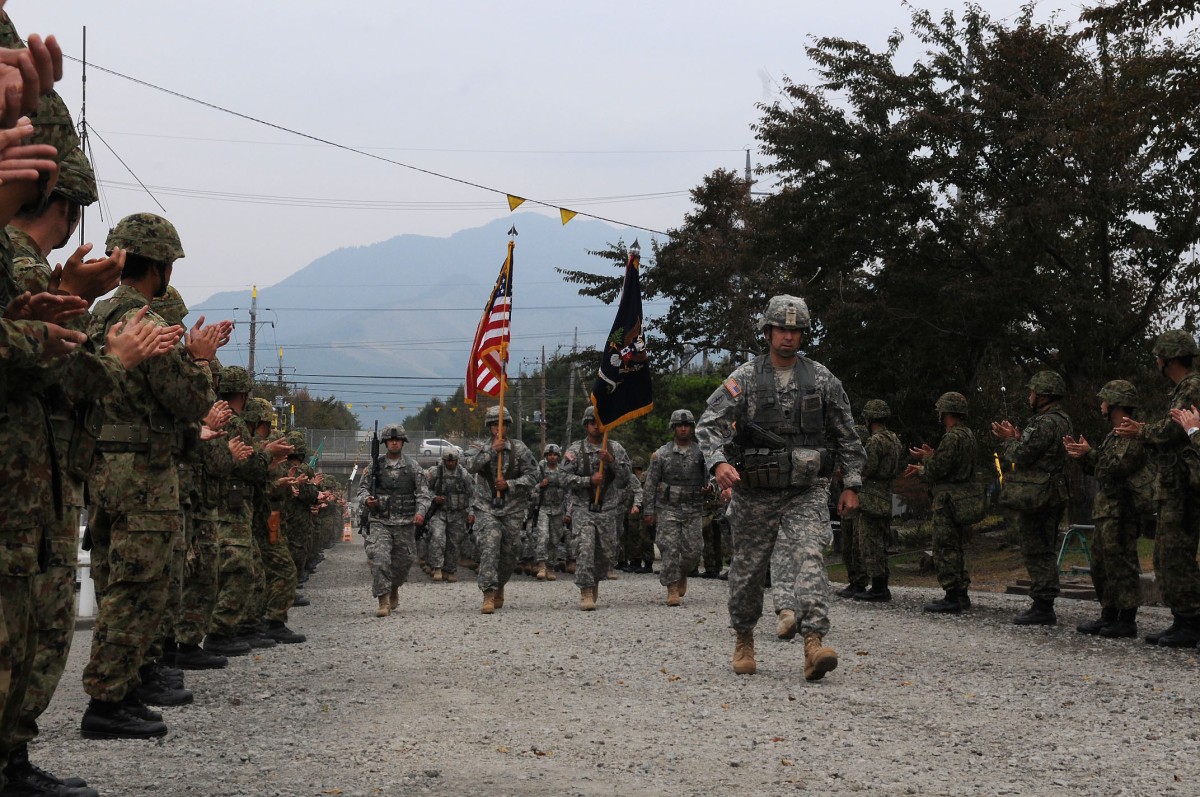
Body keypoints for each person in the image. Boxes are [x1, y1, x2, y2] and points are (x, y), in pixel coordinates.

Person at [82, 213, 231, 739]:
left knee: (112, 577)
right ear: (161, 266)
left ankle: (128, 681)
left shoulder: (98, 313)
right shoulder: (144, 320)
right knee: (140, 586)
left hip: (101, 468)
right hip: (142, 474)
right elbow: (187, 398)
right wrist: (200, 360)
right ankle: (109, 699)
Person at [695, 295, 865, 680]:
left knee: (810, 559)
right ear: (768, 332)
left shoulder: (822, 379)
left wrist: (851, 483)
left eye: (795, 330)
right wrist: (718, 462)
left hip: (805, 490)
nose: (788, 337)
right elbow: (709, 425)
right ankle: (744, 638)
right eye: (782, 329)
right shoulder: (745, 378)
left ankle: (813, 643)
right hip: (754, 493)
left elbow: (848, 437)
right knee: (748, 571)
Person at [1115, 330, 1200, 647]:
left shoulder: (1192, 386)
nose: (1156, 360)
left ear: (1168, 357)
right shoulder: (1184, 388)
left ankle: (1190, 623)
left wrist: (1142, 431)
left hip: (1182, 486)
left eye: (1158, 355)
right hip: (1174, 484)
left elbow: (1176, 430)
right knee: (1167, 555)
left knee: (1174, 554)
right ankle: (1183, 621)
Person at [1064, 380, 1152, 638]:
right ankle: (1109, 614)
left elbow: (1115, 467)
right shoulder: (1113, 435)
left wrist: (1091, 454)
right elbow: (1100, 467)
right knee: (1101, 565)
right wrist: (1085, 456)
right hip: (1106, 510)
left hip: (1123, 510)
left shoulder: (1132, 435)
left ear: (1115, 403)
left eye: (1104, 401)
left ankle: (1127, 620)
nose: (1101, 406)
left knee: (1121, 564)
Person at [992, 371, 1073, 626]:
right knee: (1044, 546)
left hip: (1039, 494)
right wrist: (1017, 438)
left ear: (1043, 395)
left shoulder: (1044, 423)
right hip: (1053, 491)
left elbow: (1023, 455)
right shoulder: (1062, 420)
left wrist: (1008, 442)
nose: (1030, 396)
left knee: (1037, 548)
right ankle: (1043, 602)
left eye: (1032, 392)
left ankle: (1043, 605)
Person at [906, 392, 981, 614]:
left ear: (946, 412)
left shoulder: (952, 437)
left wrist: (924, 465)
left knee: (944, 547)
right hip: (961, 500)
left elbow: (937, 471)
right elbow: (952, 466)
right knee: (955, 547)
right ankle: (961, 593)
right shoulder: (968, 435)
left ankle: (952, 595)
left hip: (947, 501)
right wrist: (930, 459)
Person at [463, 405, 538, 613]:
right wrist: (489, 451)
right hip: (486, 507)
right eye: (494, 424)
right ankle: (488, 593)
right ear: (489, 427)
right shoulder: (480, 447)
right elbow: (468, 466)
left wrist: (511, 485)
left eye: (502, 424)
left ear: (508, 426)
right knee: (490, 545)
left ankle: (500, 584)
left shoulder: (520, 449)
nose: (498, 428)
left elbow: (534, 475)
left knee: (510, 552)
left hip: (512, 508)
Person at [561, 406, 632, 611]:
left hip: (608, 508)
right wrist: (588, 481)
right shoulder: (575, 450)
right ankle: (585, 590)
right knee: (585, 548)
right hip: (583, 507)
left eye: (599, 423)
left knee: (605, 553)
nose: (596, 427)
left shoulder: (615, 448)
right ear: (586, 425)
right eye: (592, 422)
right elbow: (562, 478)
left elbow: (626, 478)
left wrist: (611, 462)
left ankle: (595, 581)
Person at [357, 424, 429, 617]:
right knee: (380, 559)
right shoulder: (374, 466)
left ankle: (394, 587)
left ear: (403, 442)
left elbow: (423, 494)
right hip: (380, 521)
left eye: (397, 440)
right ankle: (383, 600)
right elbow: (361, 490)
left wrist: (420, 512)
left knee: (403, 563)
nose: (394, 443)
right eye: (391, 440)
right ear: (385, 443)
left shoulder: (413, 467)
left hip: (405, 523)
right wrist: (367, 500)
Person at [643, 409, 708, 607]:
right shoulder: (661, 454)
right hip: (668, 508)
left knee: (693, 551)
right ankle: (672, 587)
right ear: (673, 428)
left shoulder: (701, 453)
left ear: (691, 428)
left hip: (693, 508)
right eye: (679, 425)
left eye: (686, 425)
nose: (683, 429)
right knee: (669, 548)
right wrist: (648, 510)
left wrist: (710, 486)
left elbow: (711, 476)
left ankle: (682, 573)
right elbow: (650, 484)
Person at [853, 400, 905, 602]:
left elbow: (867, 468)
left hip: (872, 494)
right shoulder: (893, 438)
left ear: (869, 419)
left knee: (870, 541)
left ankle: (877, 587)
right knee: (882, 540)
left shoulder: (875, 441)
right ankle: (882, 584)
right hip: (887, 493)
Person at [424, 448, 475, 584]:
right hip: (439, 512)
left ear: (457, 461)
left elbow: (473, 494)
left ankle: (450, 570)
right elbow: (423, 489)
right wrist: (434, 498)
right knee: (438, 538)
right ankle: (437, 567)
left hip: (458, 514)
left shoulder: (463, 474)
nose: (451, 464)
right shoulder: (435, 472)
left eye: (453, 461)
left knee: (454, 542)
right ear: (444, 461)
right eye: (448, 461)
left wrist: (471, 512)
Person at [530, 444, 568, 581]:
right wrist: (540, 485)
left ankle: (551, 566)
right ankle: (541, 565)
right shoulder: (540, 470)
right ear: (546, 456)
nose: (552, 457)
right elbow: (531, 490)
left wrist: (568, 512)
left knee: (554, 539)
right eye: (550, 455)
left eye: (555, 455)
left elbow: (569, 491)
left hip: (558, 510)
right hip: (544, 509)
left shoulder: (563, 471)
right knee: (542, 536)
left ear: (558, 456)